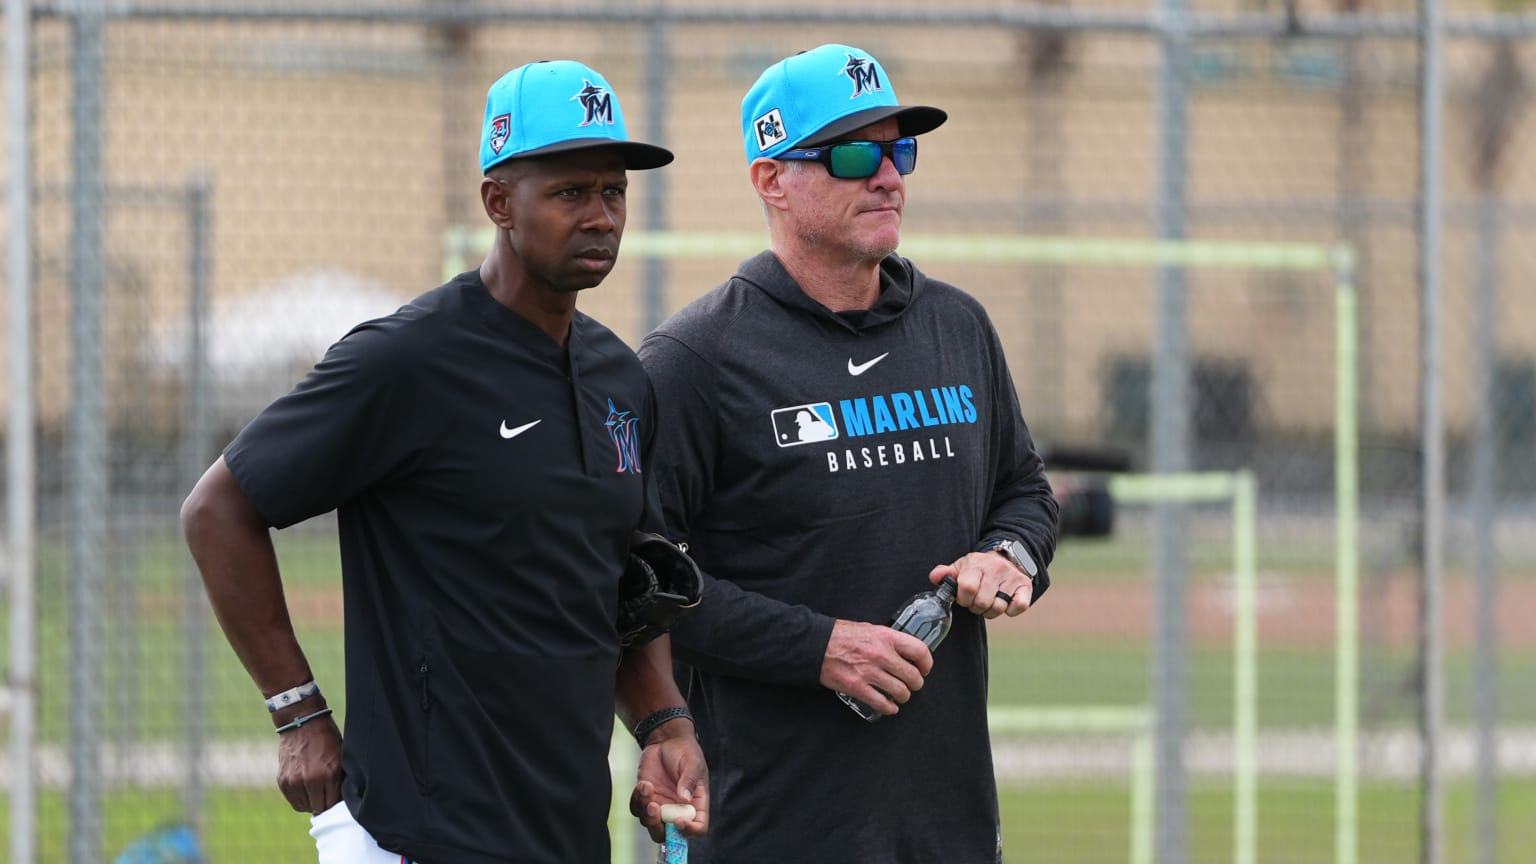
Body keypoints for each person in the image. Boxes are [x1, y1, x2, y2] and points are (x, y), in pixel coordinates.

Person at [181, 59, 708, 864]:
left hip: (568, 831)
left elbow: (631, 586)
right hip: (415, 832)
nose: (601, 216)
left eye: (613, 191)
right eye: (570, 193)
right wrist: (298, 714)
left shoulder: (620, 378)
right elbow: (218, 510)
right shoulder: (407, 361)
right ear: (500, 202)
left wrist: (664, 723)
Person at [637, 43, 1059, 863]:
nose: (888, 176)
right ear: (771, 180)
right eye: (854, 153)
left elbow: (1025, 490)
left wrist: (1011, 553)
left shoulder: (958, 325)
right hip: (772, 824)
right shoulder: (695, 359)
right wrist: (819, 648)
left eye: (899, 150)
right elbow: (638, 586)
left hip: (949, 823)